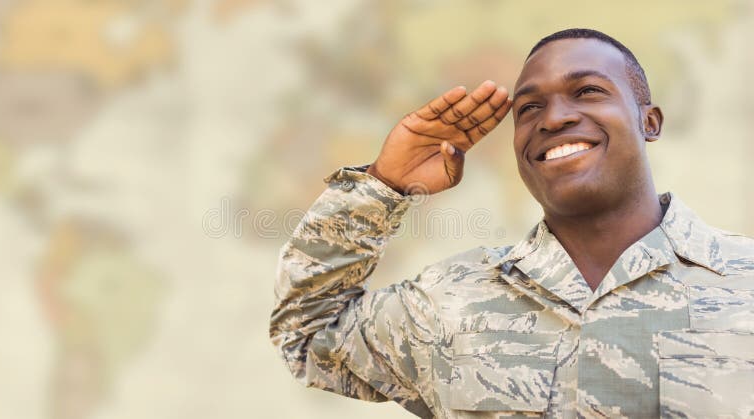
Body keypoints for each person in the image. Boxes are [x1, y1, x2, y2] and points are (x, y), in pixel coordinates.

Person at [269, 28, 754, 418]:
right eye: (529, 108)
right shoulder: (448, 302)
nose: (554, 119)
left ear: (650, 122)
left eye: (587, 91)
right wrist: (383, 185)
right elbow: (308, 333)